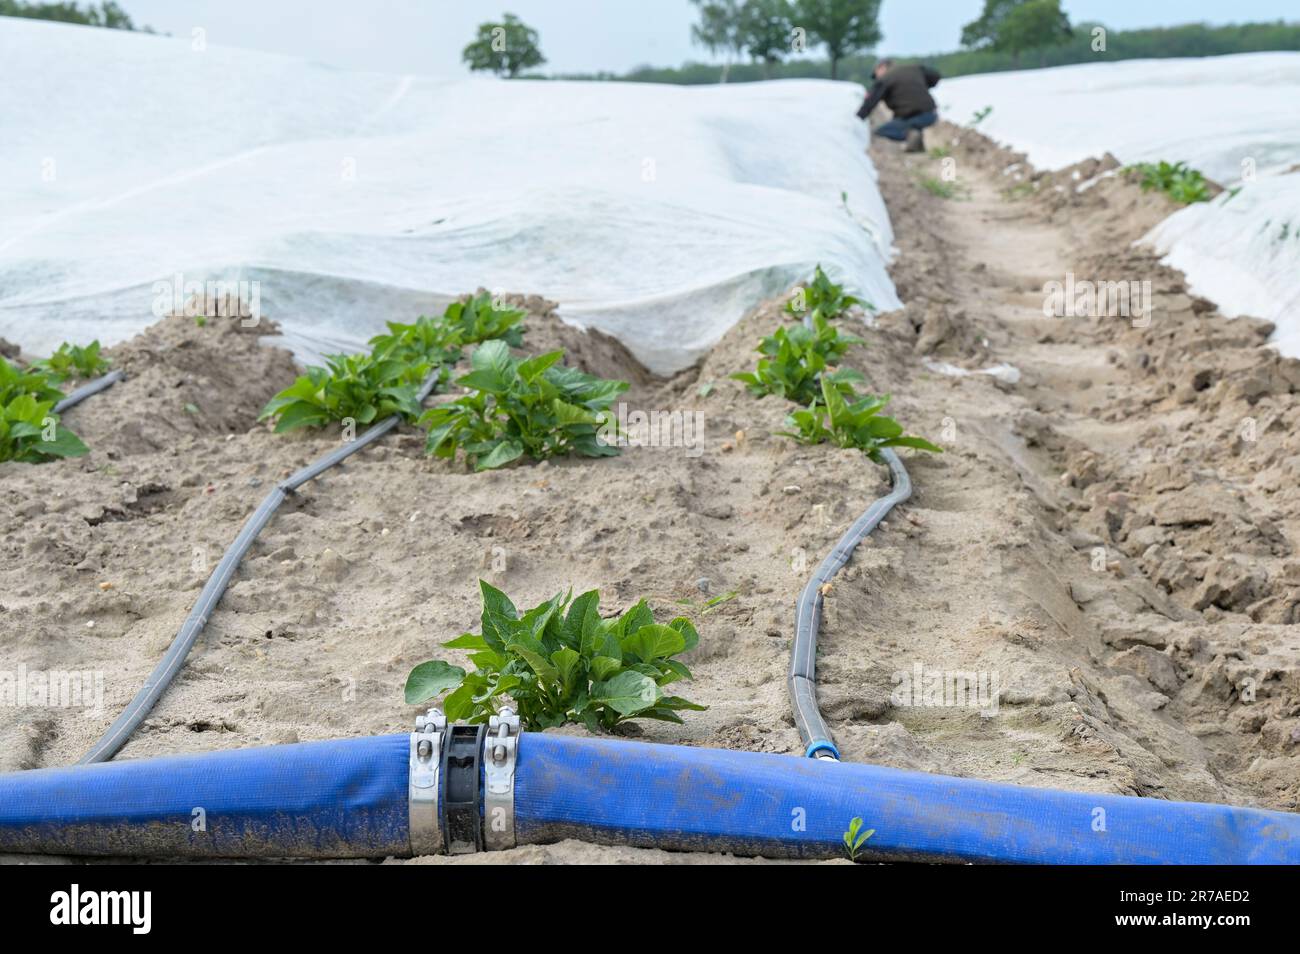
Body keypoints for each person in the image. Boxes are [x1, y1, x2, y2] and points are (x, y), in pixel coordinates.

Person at [856, 59, 940, 153]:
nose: (876, 78)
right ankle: (917, 141)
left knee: (880, 132)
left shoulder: (885, 79)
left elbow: (870, 102)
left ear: (882, 67)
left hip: (911, 118)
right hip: (931, 115)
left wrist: (857, 119)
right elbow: (936, 76)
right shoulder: (914, 68)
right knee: (909, 124)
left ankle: (910, 134)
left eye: (876, 74)